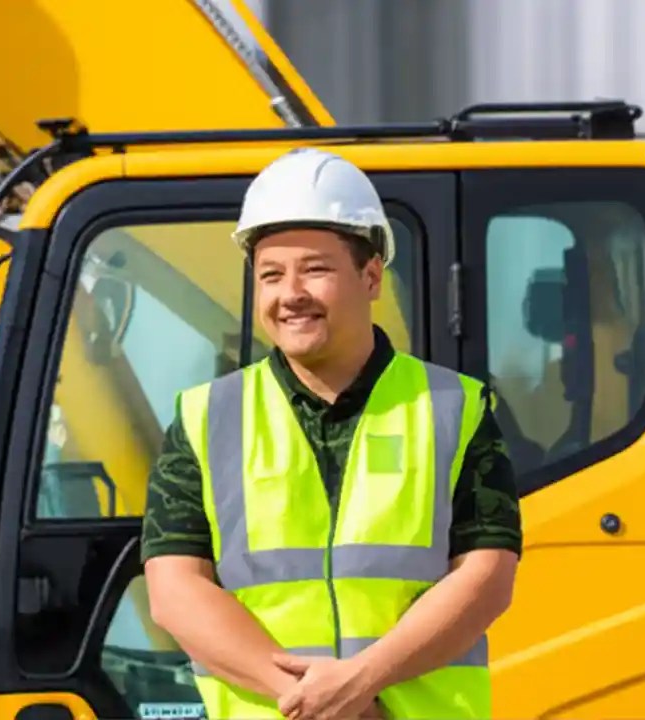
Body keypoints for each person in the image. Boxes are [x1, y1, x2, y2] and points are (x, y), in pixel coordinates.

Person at [141, 147, 522, 720]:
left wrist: (363, 681)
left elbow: (486, 577)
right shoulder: (203, 418)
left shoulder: (455, 408)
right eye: (271, 275)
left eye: (315, 269)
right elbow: (175, 592)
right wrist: (312, 701)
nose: (290, 293)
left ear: (371, 276)